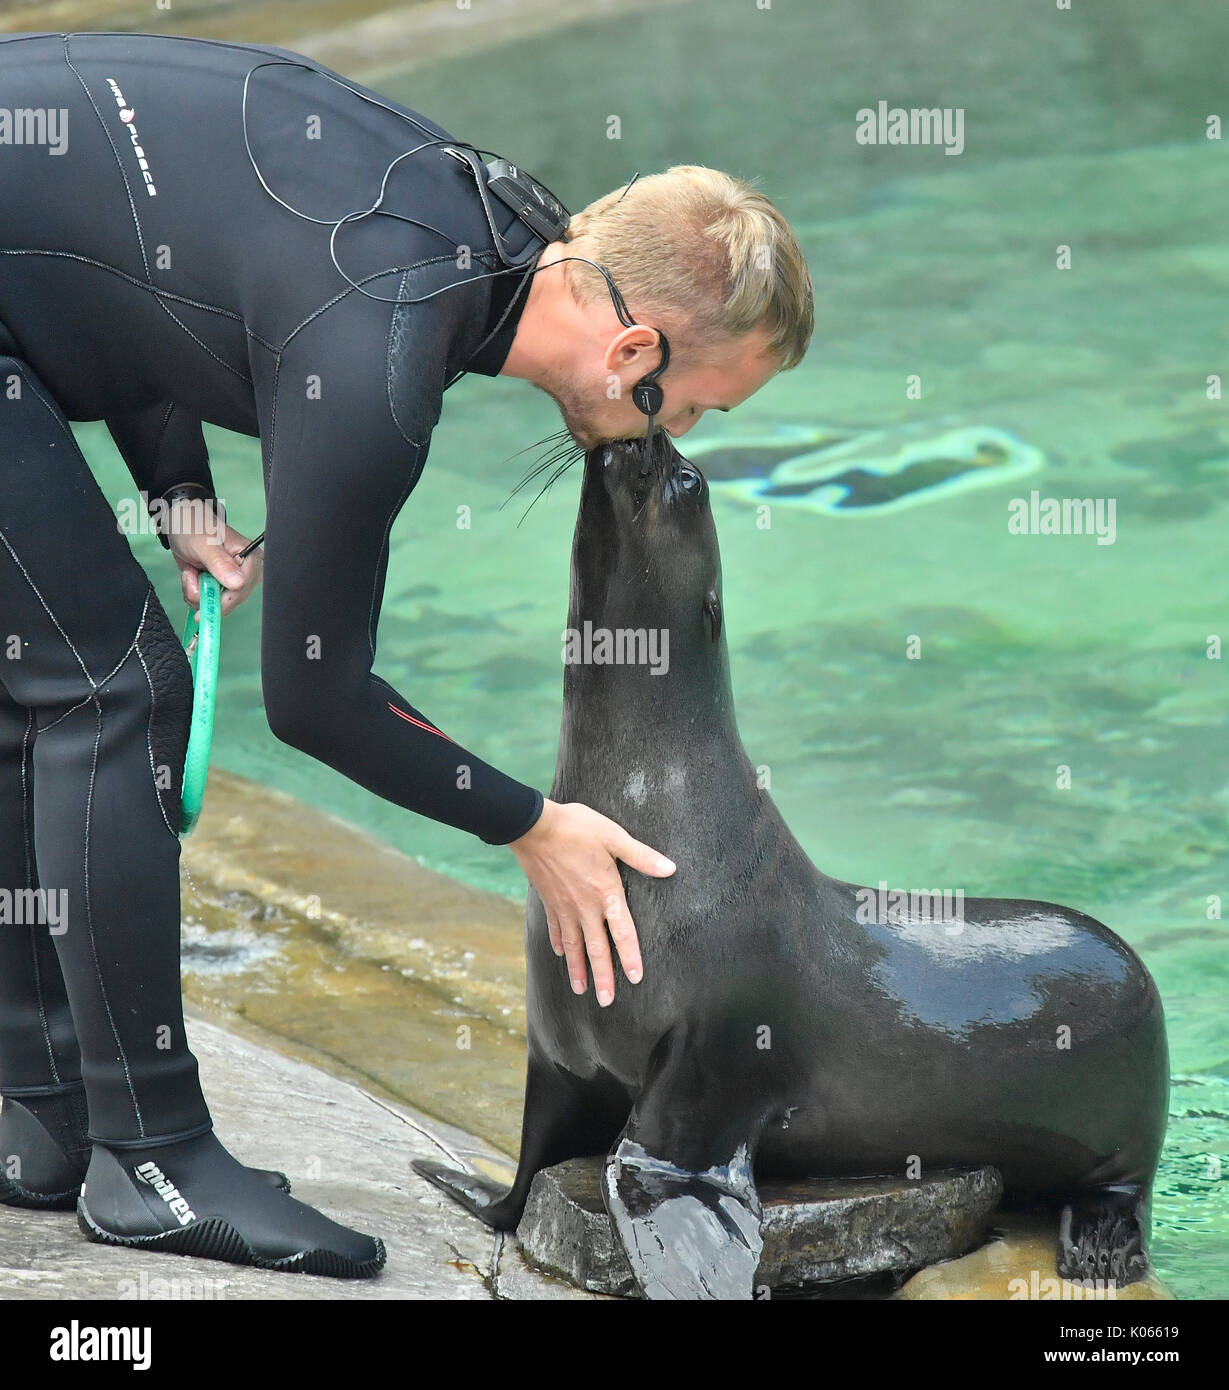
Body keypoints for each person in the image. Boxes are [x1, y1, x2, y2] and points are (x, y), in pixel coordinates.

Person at [0, 30, 813, 1276]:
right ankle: (153, 1159)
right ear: (633, 353)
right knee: (113, 694)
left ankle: (40, 1120)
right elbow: (315, 698)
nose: (680, 435)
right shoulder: (379, 350)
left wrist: (174, 486)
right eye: (695, 407)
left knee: (55, 678)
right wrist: (532, 824)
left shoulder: (484, 224)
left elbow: (129, 267)